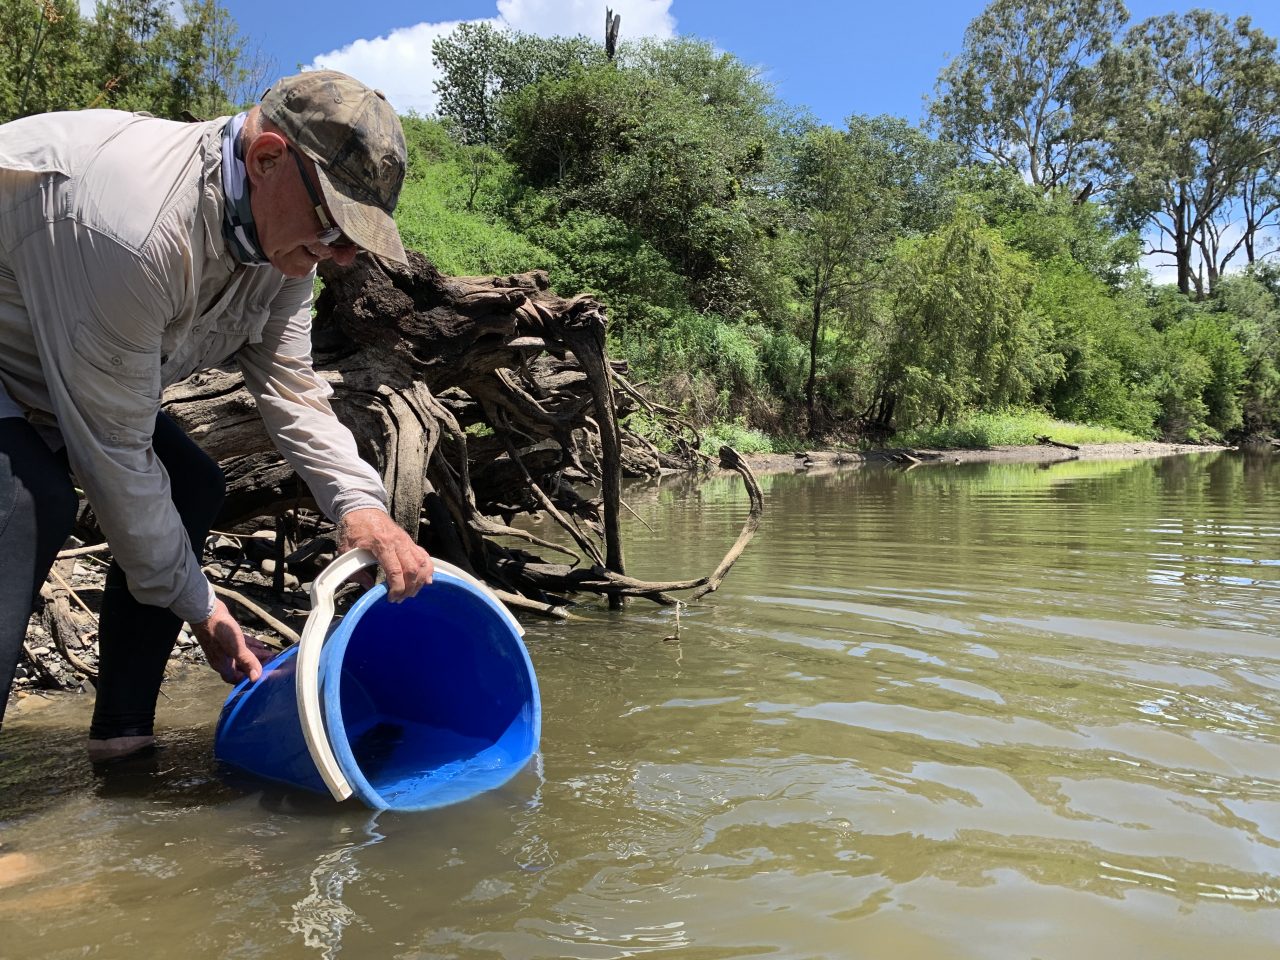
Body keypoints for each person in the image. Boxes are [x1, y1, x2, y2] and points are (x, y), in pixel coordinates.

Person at [0, 70, 434, 761]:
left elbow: (292, 389)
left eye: (355, 236)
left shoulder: (283, 245)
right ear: (266, 160)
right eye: (335, 224)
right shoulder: (135, 230)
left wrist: (360, 505)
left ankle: (122, 746)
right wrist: (203, 610)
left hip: (51, 370)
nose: (341, 254)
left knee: (193, 485)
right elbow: (114, 459)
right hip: (15, 366)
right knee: (26, 504)